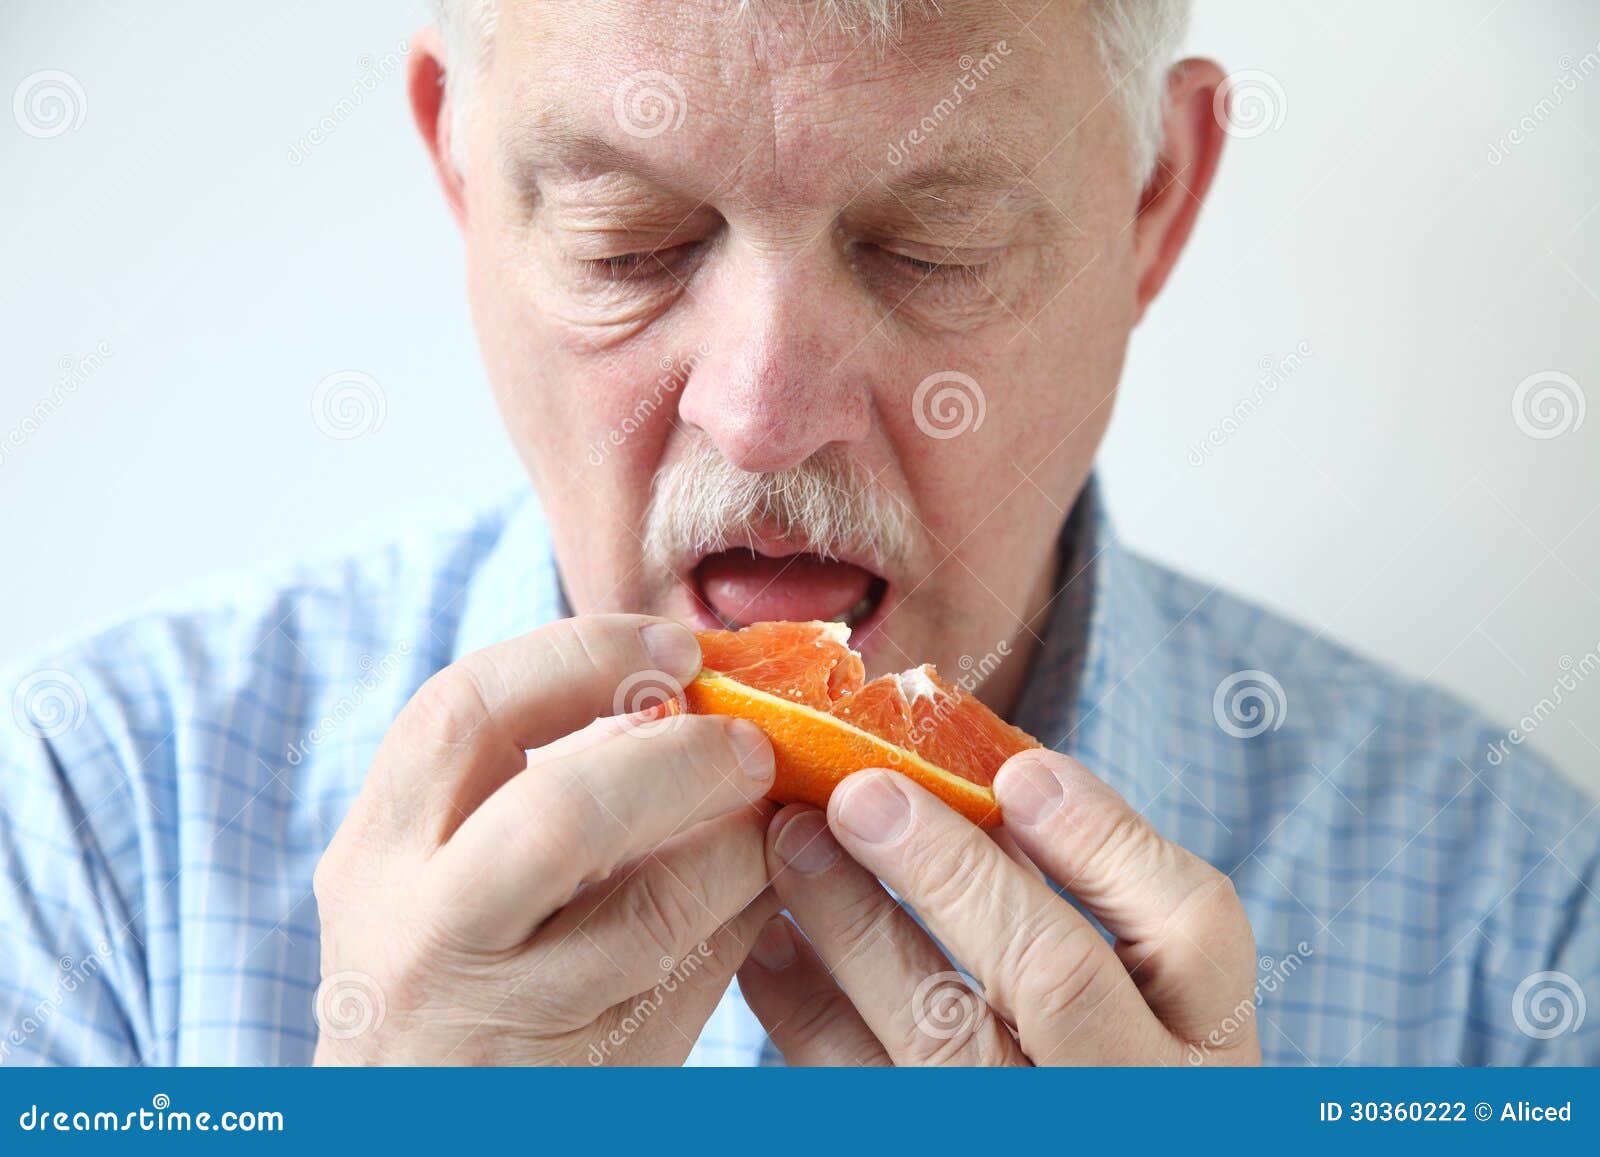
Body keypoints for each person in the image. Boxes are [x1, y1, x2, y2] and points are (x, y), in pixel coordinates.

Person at [3, 0, 1595, 1067]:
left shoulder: (1521, 932)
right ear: (466, 179)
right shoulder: (88, 849)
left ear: (1153, 201)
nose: (761, 414)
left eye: (931, 242)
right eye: (634, 241)